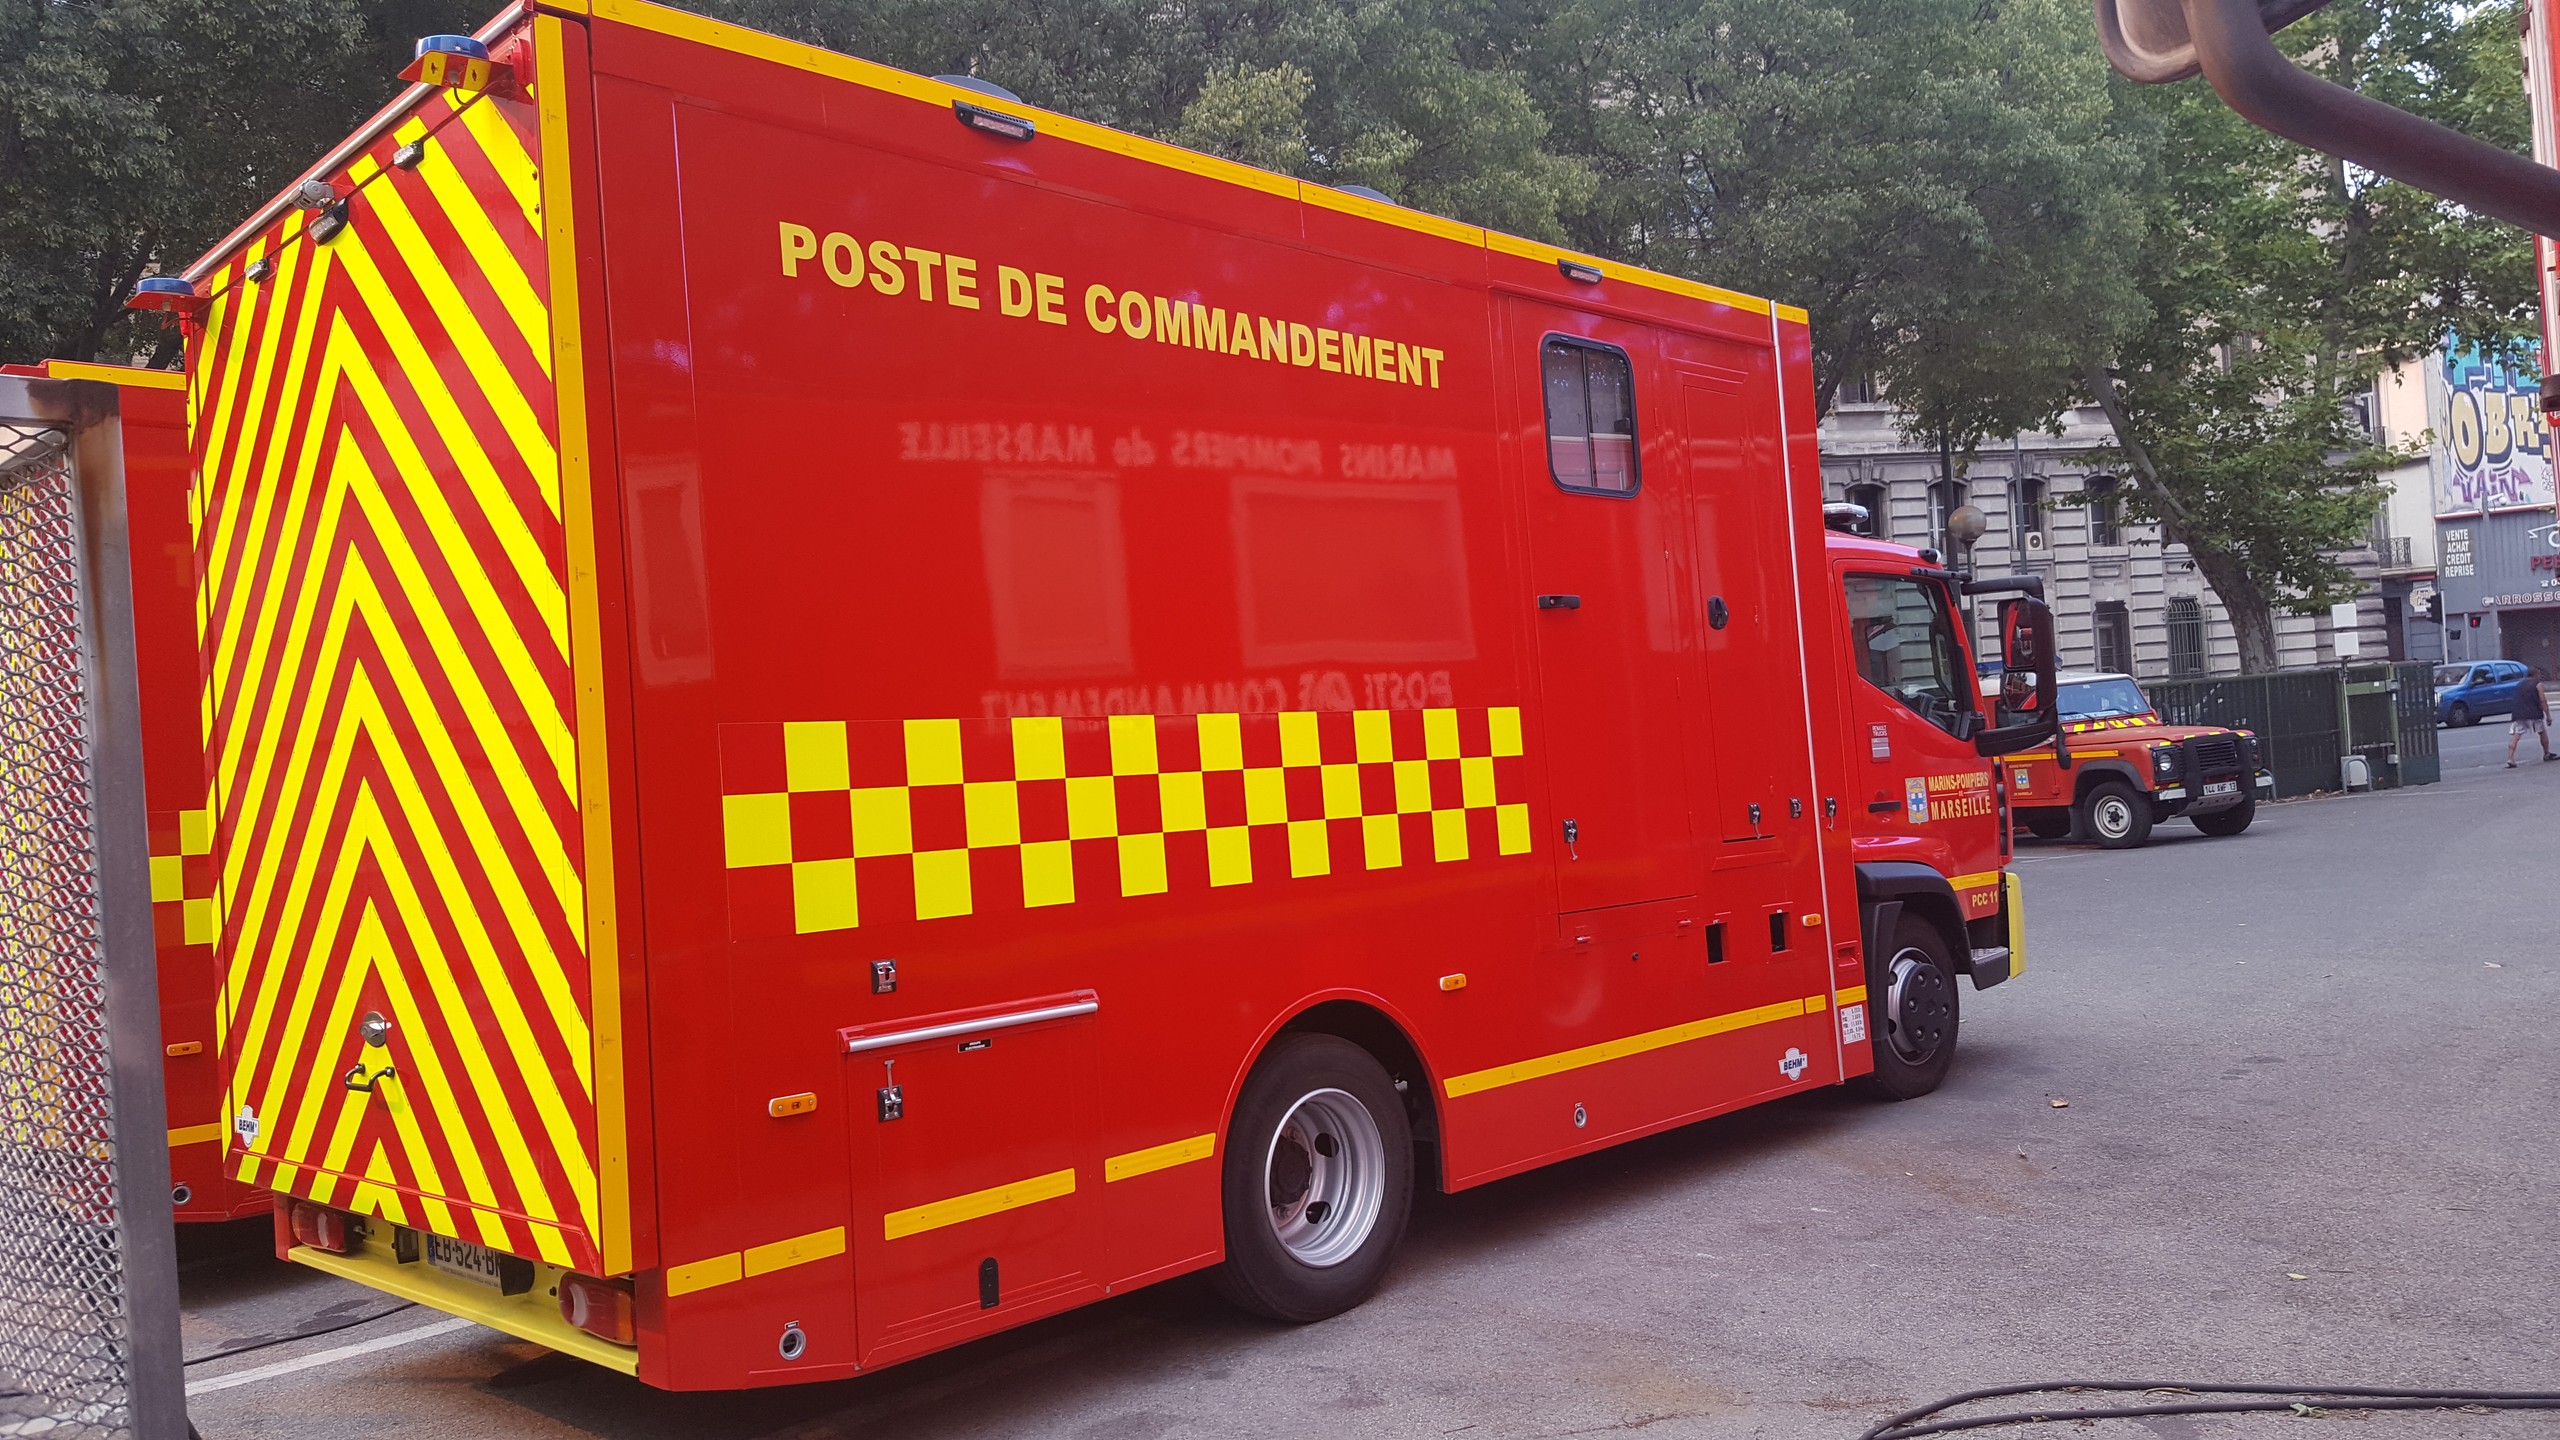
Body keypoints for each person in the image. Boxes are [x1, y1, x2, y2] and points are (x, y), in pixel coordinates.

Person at [2507, 671, 2553, 767]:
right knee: (2542, 732)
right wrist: (2548, 715)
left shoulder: (2519, 684)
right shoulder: (2538, 685)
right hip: (2534, 713)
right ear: (2536, 675)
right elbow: (2542, 700)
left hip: (2519, 713)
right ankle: (2546, 753)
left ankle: (2510, 758)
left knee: (2517, 734)